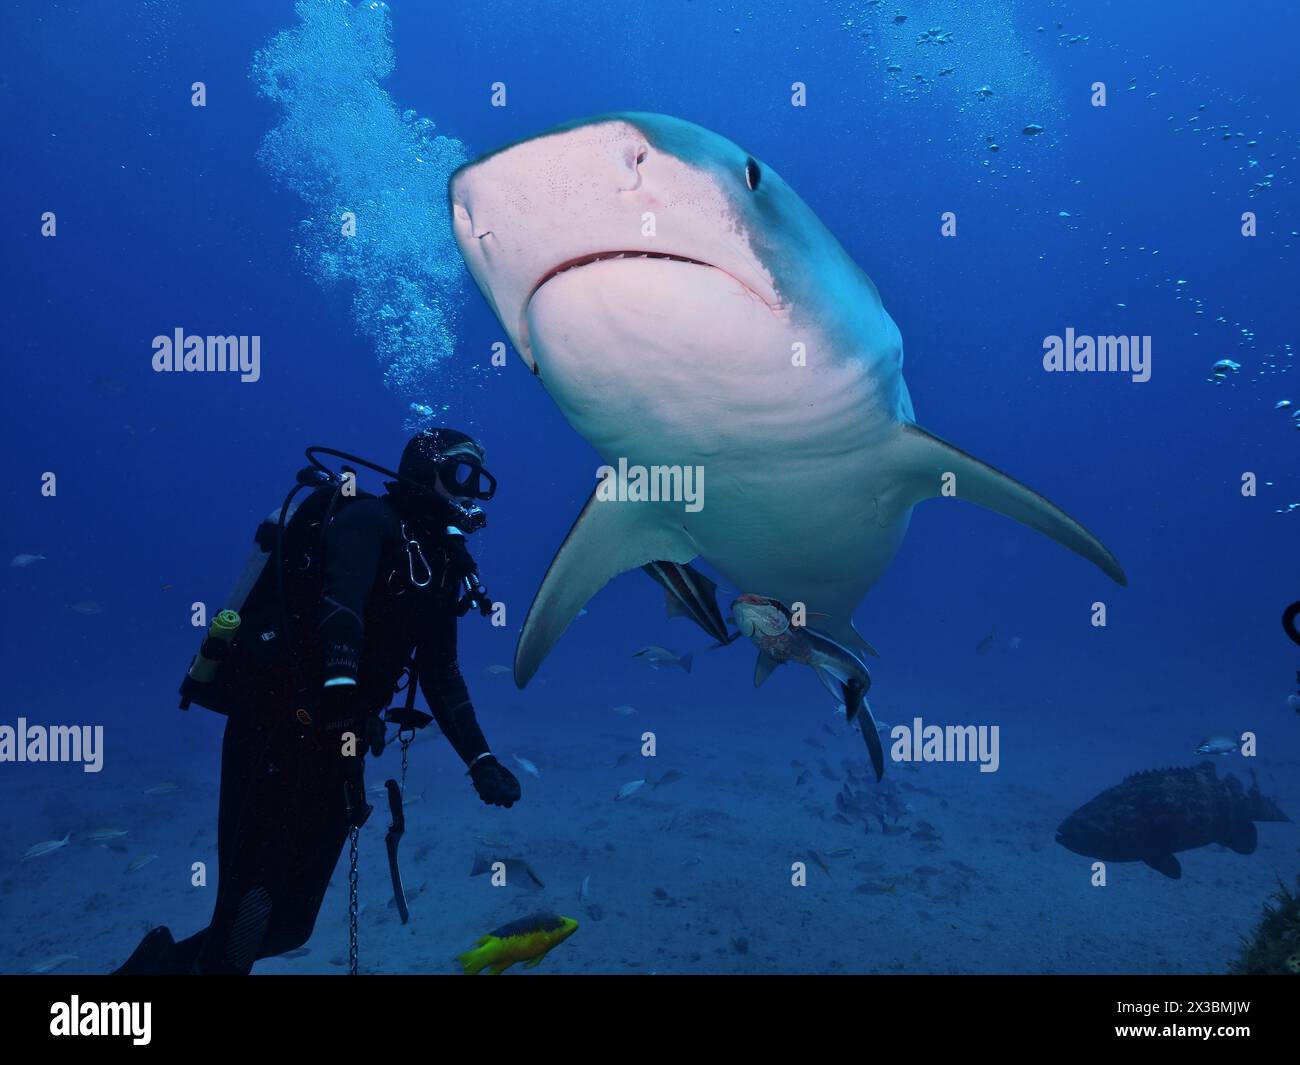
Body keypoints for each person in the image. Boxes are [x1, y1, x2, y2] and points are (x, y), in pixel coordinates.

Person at [114, 429, 521, 974]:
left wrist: (481, 759)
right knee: (248, 908)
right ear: (424, 472)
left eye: (476, 477)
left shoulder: (443, 565)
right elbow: (341, 608)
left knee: (289, 925)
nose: (467, 490)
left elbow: (441, 672)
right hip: (277, 728)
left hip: (340, 746)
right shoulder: (366, 520)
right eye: (458, 473)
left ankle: (150, 973)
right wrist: (343, 695)